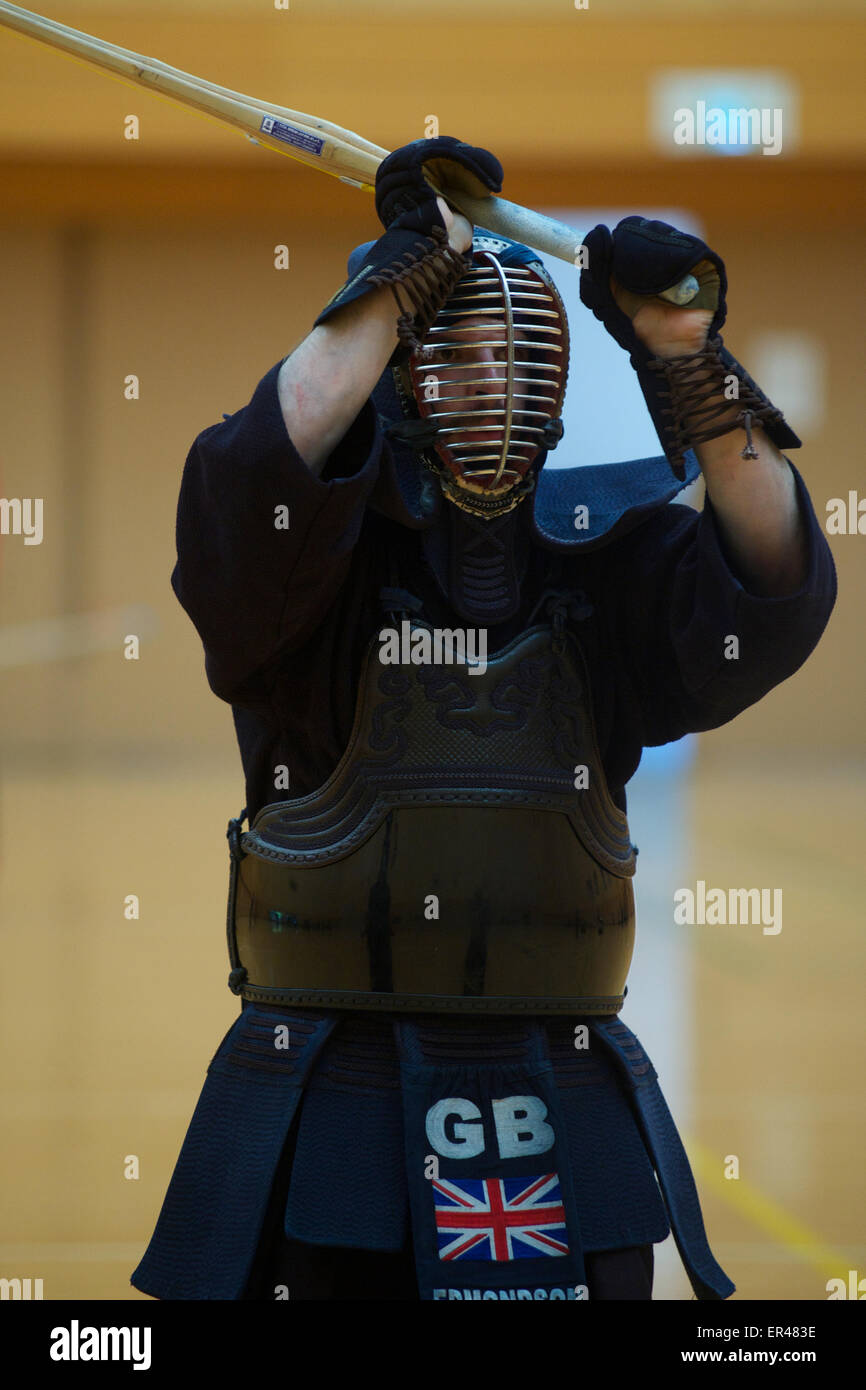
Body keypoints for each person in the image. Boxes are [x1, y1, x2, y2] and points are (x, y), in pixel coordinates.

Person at [131, 137, 836, 1302]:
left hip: (560, 1069)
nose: (488, 383)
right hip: (326, 1064)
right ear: (399, 373)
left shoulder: (605, 563)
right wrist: (389, 283)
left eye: (517, 354)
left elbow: (770, 585)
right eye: (453, 352)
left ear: (560, 380)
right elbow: (246, 492)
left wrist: (687, 358)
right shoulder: (312, 568)